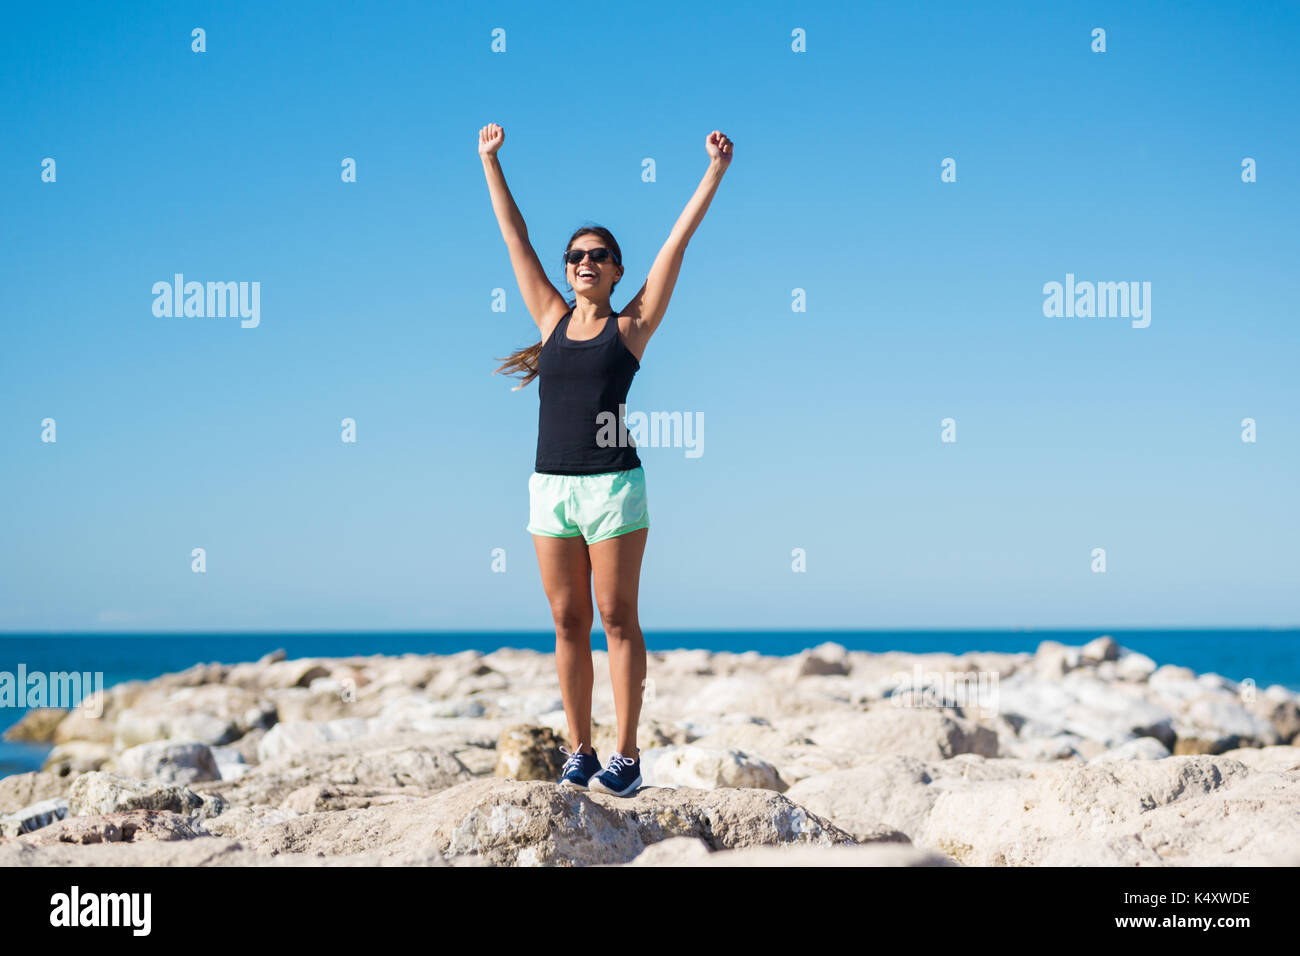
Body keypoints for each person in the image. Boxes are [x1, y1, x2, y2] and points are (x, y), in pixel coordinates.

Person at [479, 122, 733, 796]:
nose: (584, 261)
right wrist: (490, 160)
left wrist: (713, 171)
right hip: (549, 489)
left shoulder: (633, 327)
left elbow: (677, 241)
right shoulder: (550, 320)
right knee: (567, 622)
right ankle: (579, 749)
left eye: (599, 255)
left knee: (617, 618)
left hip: (615, 488)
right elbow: (514, 235)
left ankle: (625, 754)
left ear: (617, 270)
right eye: (576, 256)